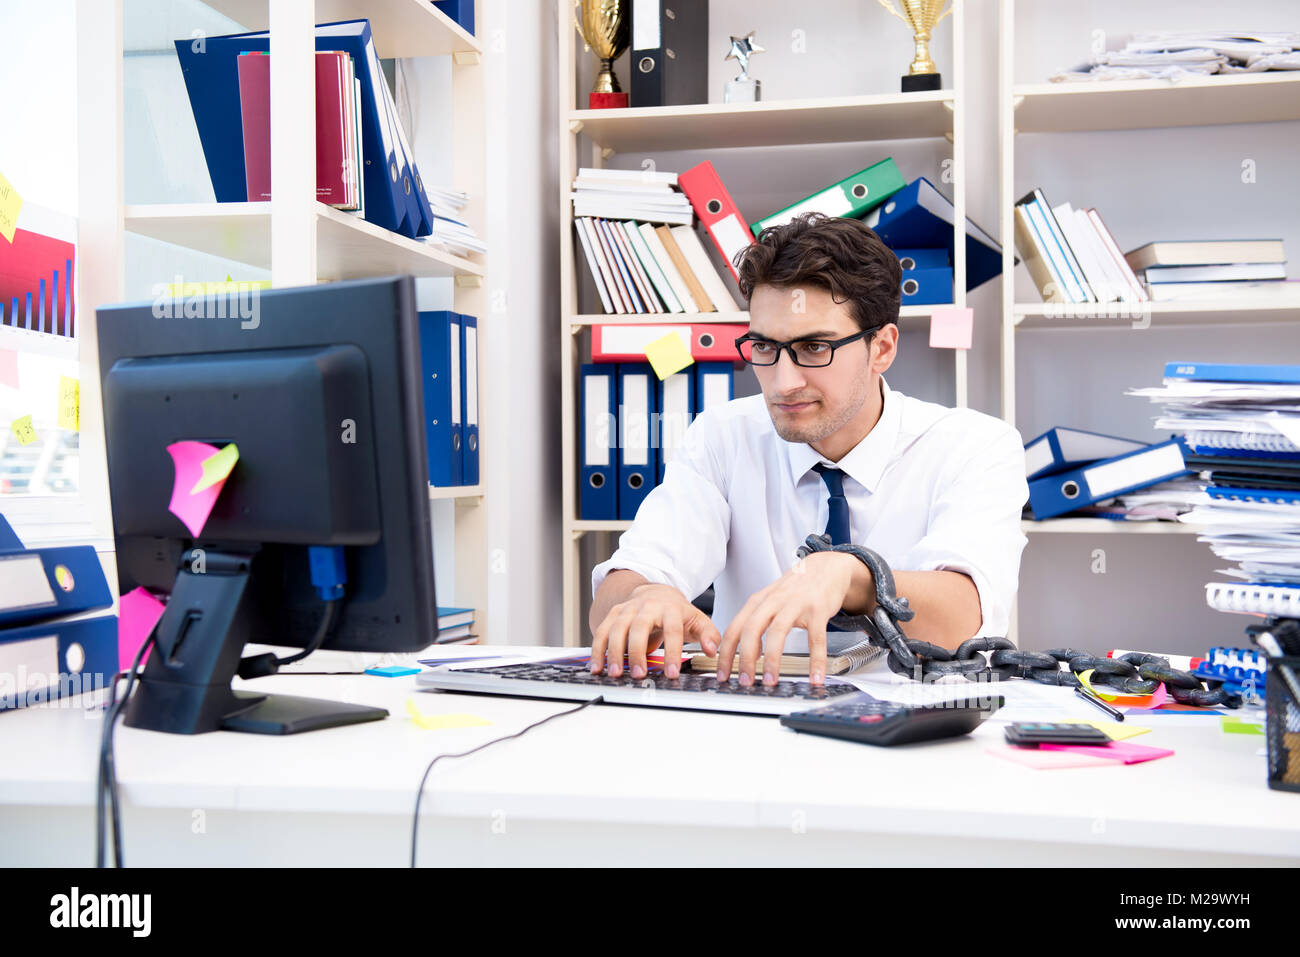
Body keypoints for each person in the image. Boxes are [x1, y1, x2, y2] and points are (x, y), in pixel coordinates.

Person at [589, 212, 1028, 687]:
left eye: (815, 347)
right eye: (763, 347)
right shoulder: (722, 436)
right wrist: (644, 596)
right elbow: (615, 592)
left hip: (918, 726)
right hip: (755, 721)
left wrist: (852, 576)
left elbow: (964, 617)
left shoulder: (975, 445)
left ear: (881, 348)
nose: (783, 382)